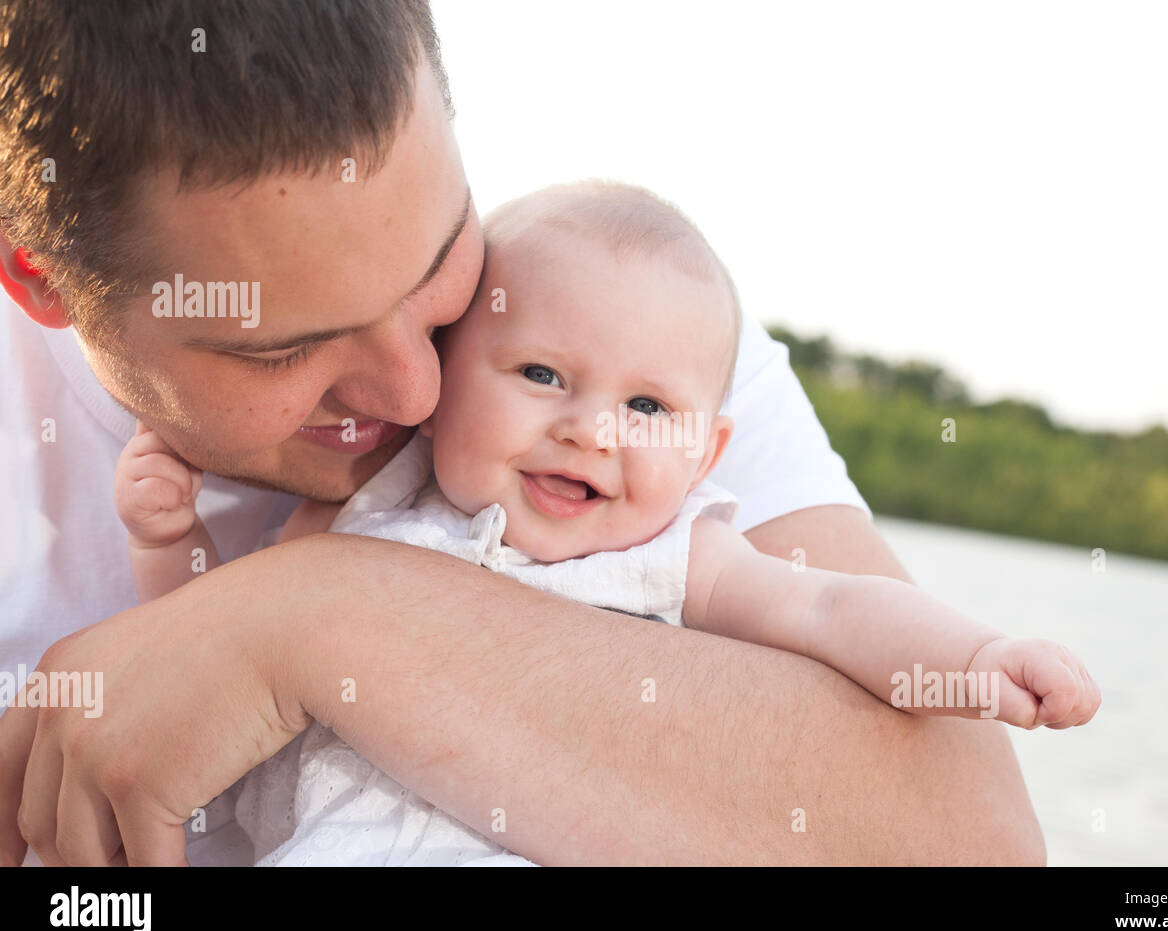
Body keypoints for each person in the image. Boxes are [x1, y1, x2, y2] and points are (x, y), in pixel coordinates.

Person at [0, 1, 1045, 866]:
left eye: (440, 269)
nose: (416, 388)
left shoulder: (619, 316)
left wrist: (307, 614)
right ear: (40, 280)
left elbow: (972, 843)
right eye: (284, 351)